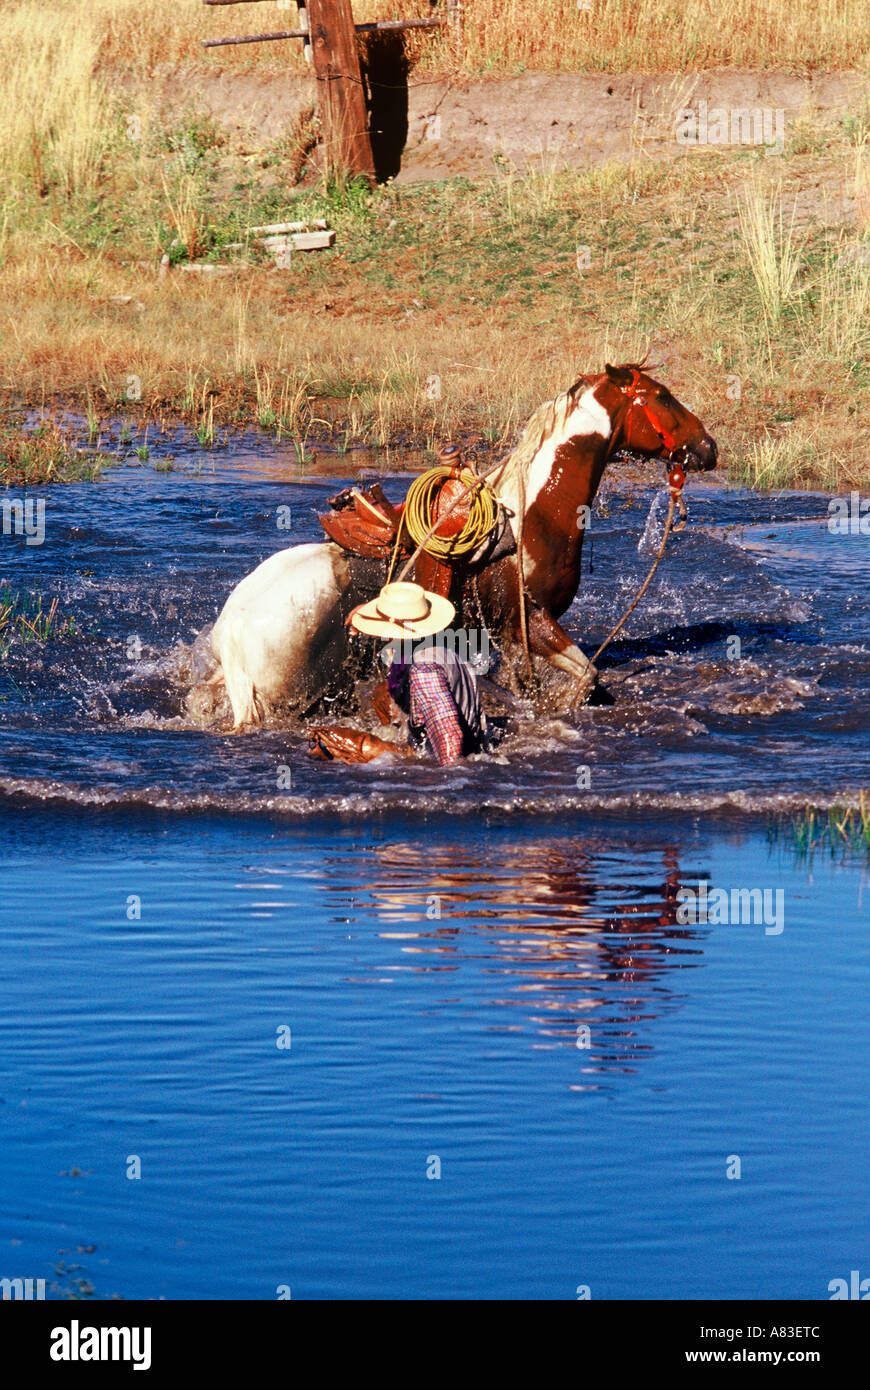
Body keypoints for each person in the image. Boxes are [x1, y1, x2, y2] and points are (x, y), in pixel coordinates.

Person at [308, 582, 488, 767]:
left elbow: (449, 735)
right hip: (465, 743)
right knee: (380, 694)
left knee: (334, 743)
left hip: (438, 757)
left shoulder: (424, 671)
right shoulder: (437, 645)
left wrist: (445, 782)